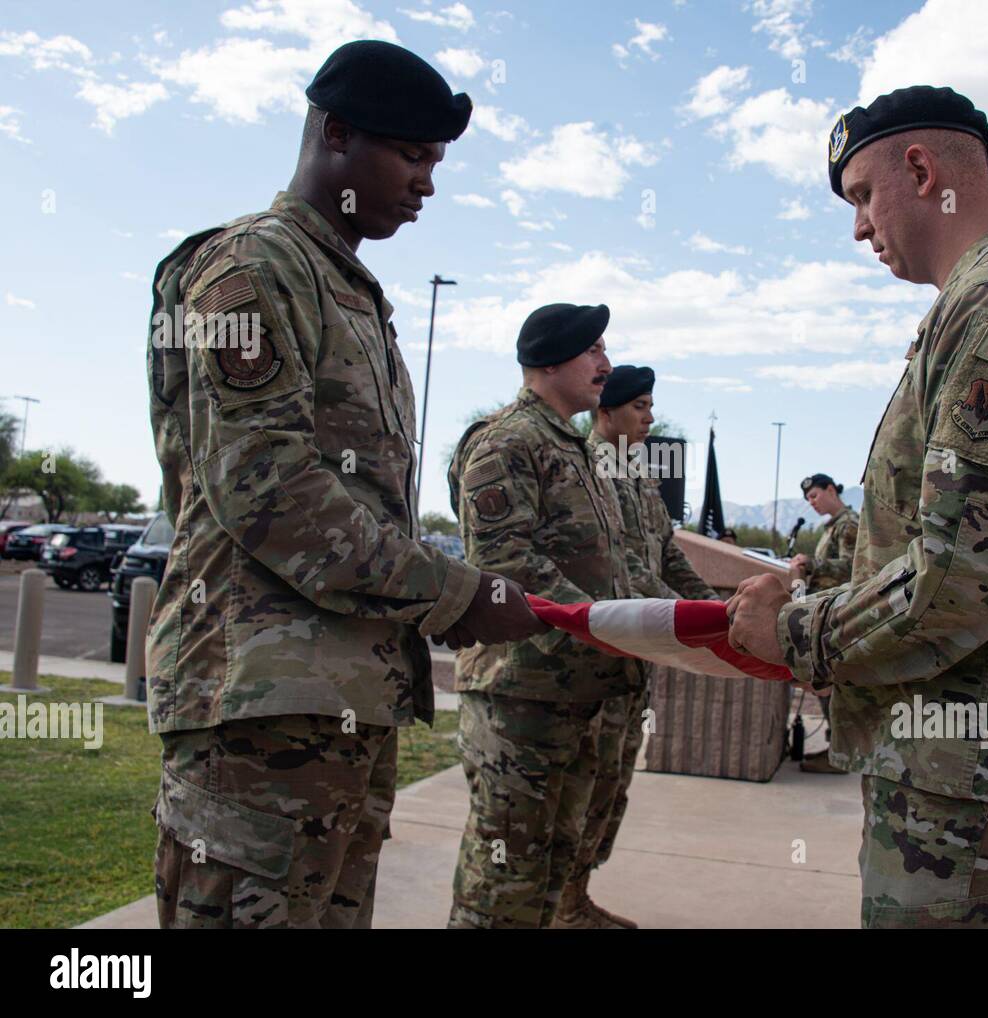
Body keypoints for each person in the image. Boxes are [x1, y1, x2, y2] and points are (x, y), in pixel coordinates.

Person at [726, 85, 988, 928]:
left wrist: (795, 632)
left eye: (860, 196)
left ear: (920, 169)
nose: (858, 229)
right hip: (979, 762)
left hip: (987, 774)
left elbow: (965, 570)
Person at [145, 40, 543, 929]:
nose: (427, 184)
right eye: (411, 155)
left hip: (340, 703)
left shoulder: (346, 288)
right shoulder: (253, 269)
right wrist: (452, 593)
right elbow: (268, 487)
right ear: (335, 133)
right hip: (255, 703)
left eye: (433, 162)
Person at [446, 303, 641, 929]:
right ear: (551, 360)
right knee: (506, 875)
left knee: (556, 866)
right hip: (519, 693)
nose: (606, 365)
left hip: (574, 693)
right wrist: (602, 627)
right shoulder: (507, 440)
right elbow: (505, 557)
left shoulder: (574, 448)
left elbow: (608, 565)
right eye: (593, 350)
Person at [555, 365, 718, 928]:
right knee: (586, 781)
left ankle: (575, 896)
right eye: (639, 407)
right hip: (601, 653)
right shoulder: (587, 469)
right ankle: (559, 903)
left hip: (636, 652)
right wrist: (682, 617)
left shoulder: (638, 473)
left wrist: (712, 612)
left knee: (612, 783)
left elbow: (666, 556)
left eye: (650, 407)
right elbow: (619, 567)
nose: (650, 418)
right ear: (606, 412)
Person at [789, 473, 860, 774]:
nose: (812, 503)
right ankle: (837, 748)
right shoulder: (832, 526)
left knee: (827, 682)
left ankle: (840, 752)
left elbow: (853, 567)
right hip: (825, 612)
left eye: (815, 496)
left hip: (838, 613)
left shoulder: (849, 525)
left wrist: (812, 564)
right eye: (808, 500)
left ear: (831, 490)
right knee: (822, 681)